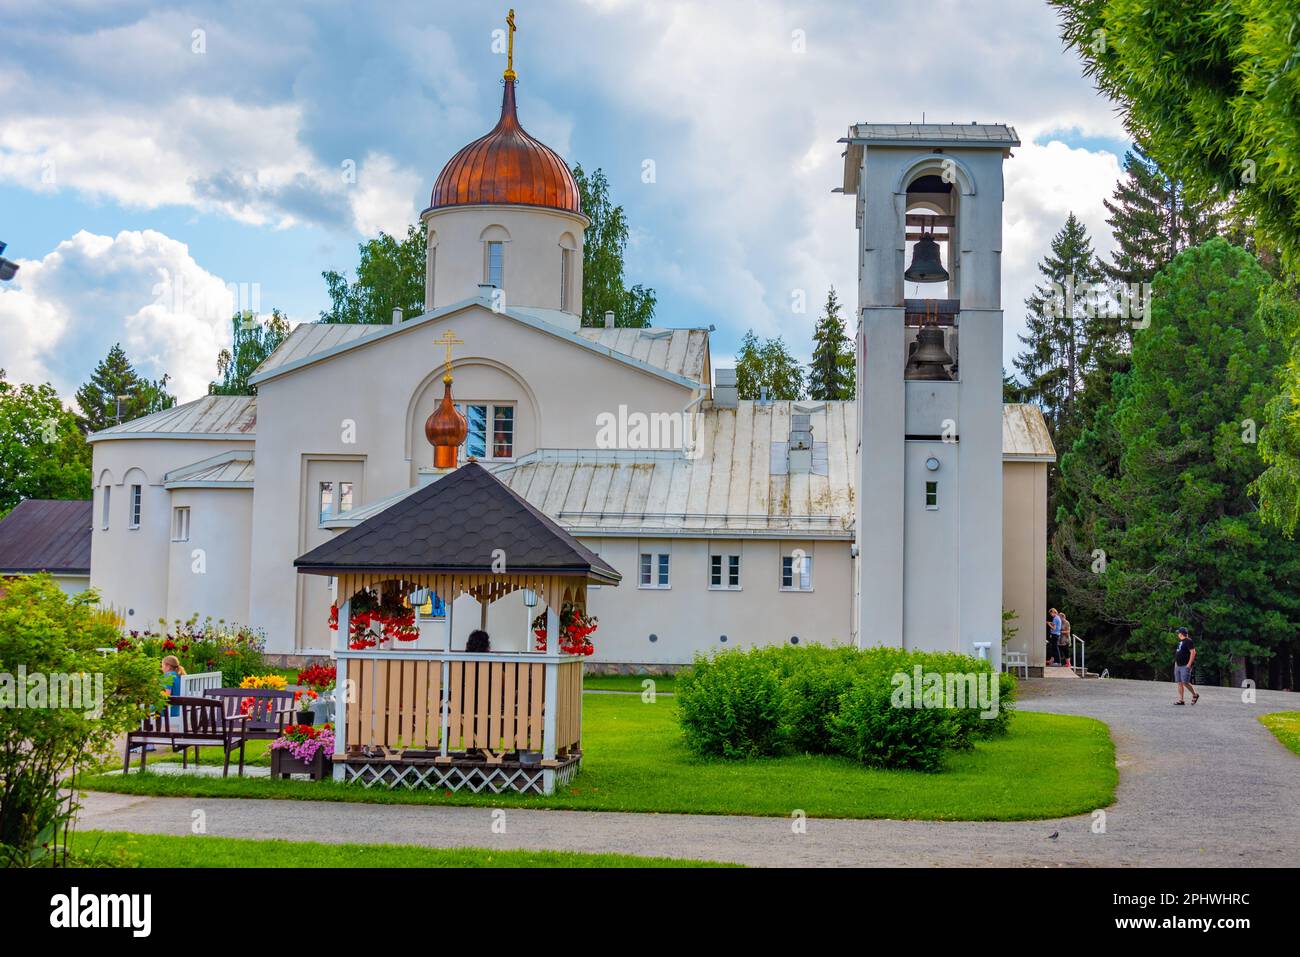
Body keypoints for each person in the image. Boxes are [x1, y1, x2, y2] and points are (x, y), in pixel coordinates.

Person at [1173, 626, 1199, 705]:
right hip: (1178, 665)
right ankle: (1181, 700)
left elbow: (1193, 652)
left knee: (1185, 682)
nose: (1177, 634)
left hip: (1185, 665)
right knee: (1179, 682)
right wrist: (1176, 664)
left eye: (1178, 633)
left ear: (1181, 633)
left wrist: (1189, 664)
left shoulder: (1188, 641)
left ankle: (1195, 695)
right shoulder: (1181, 641)